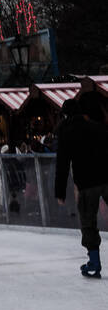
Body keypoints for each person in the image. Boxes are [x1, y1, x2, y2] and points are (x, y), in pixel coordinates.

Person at [54, 92, 108, 278]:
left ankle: (94, 262)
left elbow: (62, 163)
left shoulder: (66, 132)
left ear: (65, 115)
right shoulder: (97, 127)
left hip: (87, 184)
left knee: (88, 223)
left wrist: (60, 192)